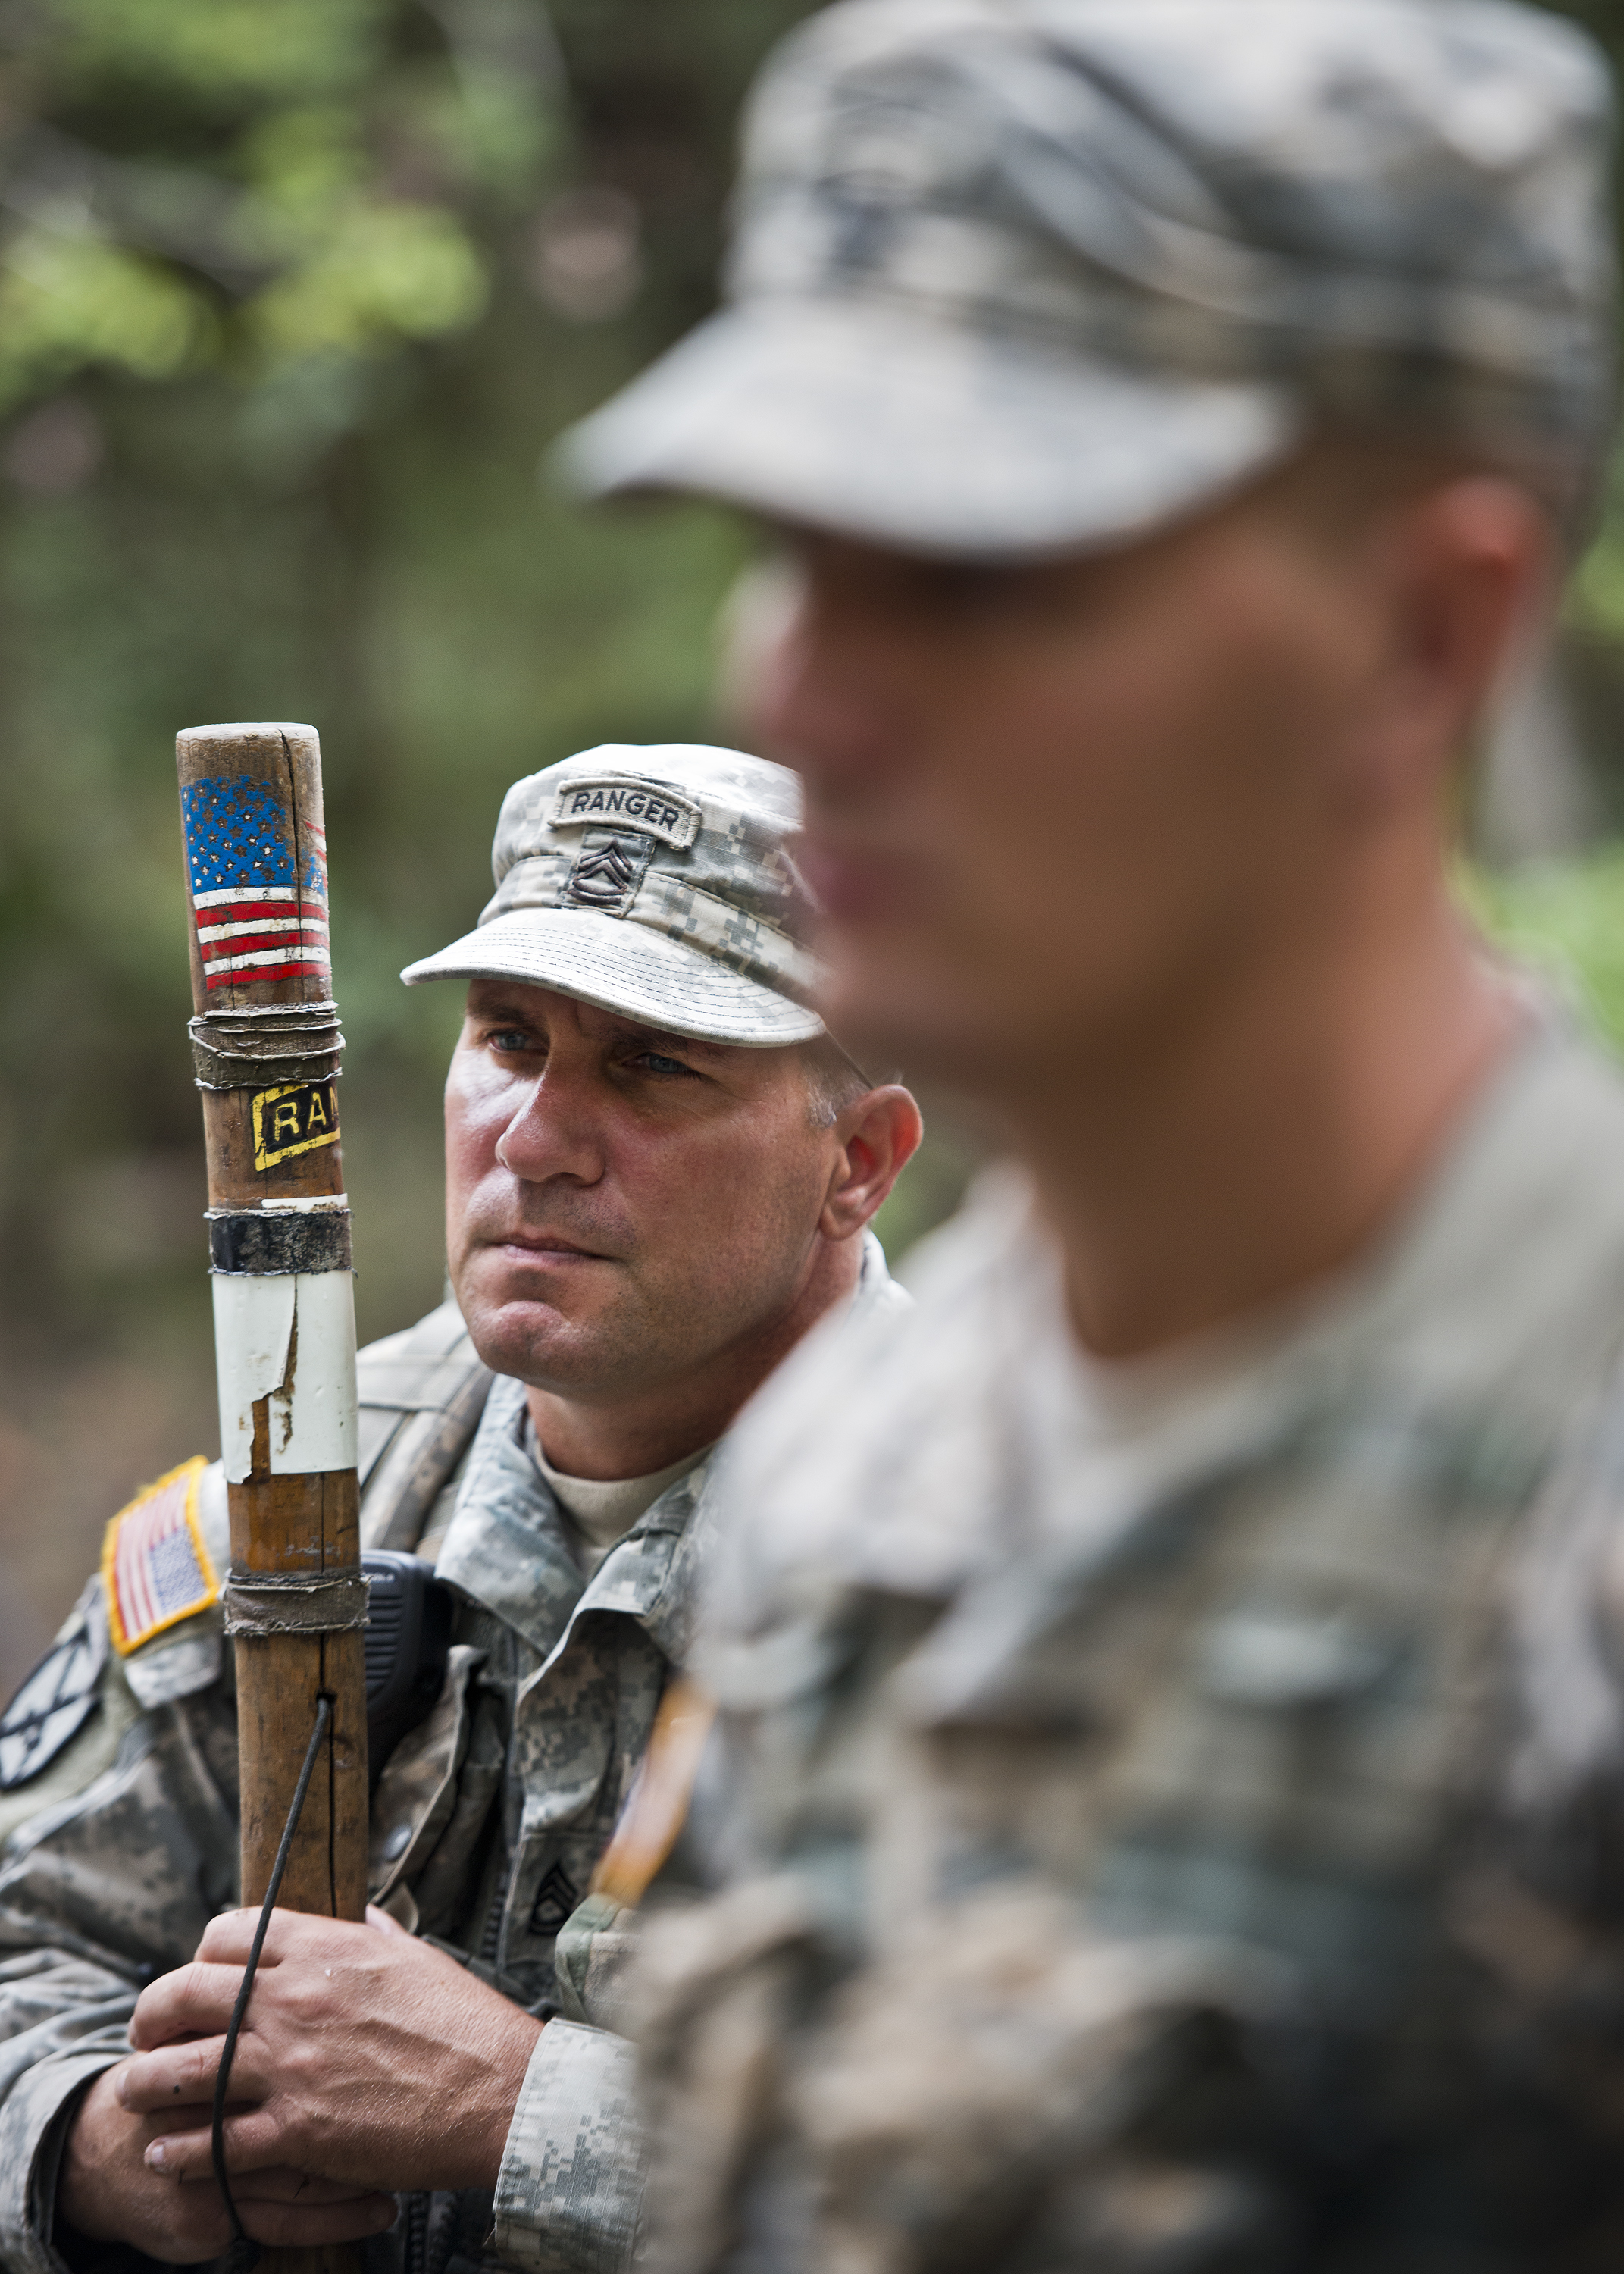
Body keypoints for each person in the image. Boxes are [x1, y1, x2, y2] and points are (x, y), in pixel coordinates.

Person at [549, 3, 1624, 2268]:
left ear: (1427, 634)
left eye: (981, 574)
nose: (806, 690)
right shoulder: (852, 1476)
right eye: (794, 549)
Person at [0, 741, 921, 2272]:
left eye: (654, 1063)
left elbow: (1098, 2187)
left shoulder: (1004, 1558)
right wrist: (94, 2141)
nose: (536, 1138)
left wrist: (516, 2109)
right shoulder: (302, 1475)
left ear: (860, 1161)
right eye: (508, 1039)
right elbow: (27, 1931)